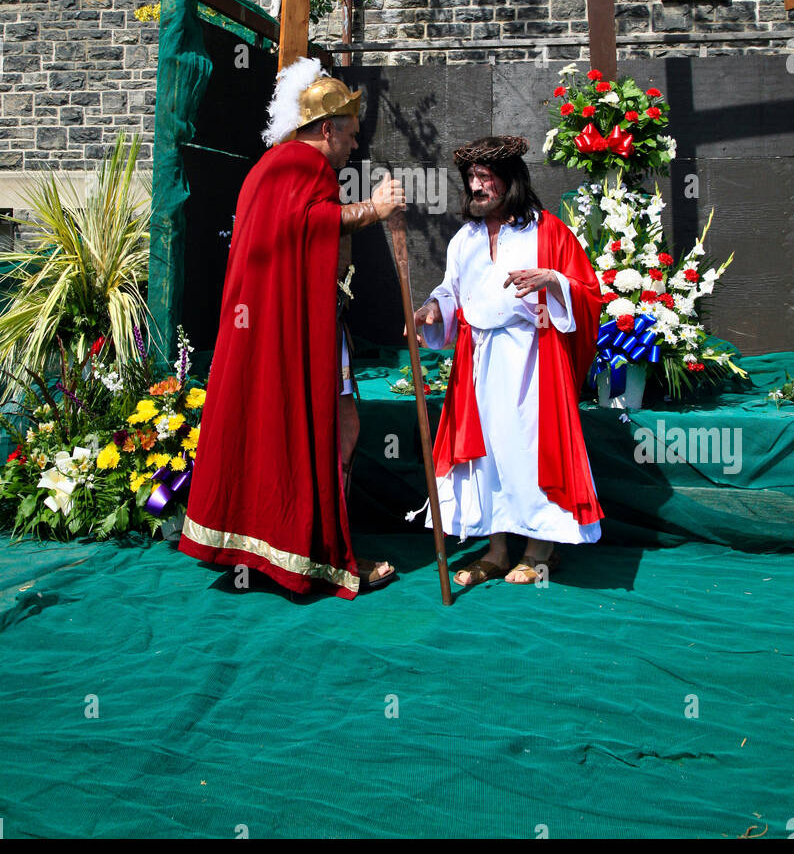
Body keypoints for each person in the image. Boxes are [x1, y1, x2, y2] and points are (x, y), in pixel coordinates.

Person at [178, 58, 405, 599]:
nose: (354, 147)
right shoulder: (294, 167)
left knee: (338, 427)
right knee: (331, 429)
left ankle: (300, 546)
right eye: (349, 135)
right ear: (326, 129)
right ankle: (319, 555)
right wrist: (372, 210)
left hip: (305, 320)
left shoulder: (278, 168)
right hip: (293, 328)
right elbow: (306, 226)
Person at [414, 135, 603, 586]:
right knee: (488, 457)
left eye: (485, 177)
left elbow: (589, 293)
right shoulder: (465, 239)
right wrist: (432, 309)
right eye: (471, 178)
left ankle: (540, 549)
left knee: (528, 451)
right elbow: (451, 291)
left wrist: (552, 279)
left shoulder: (547, 230)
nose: (476, 186)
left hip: (533, 359)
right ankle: (497, 551)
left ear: (510, 180)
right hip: (479, 360)